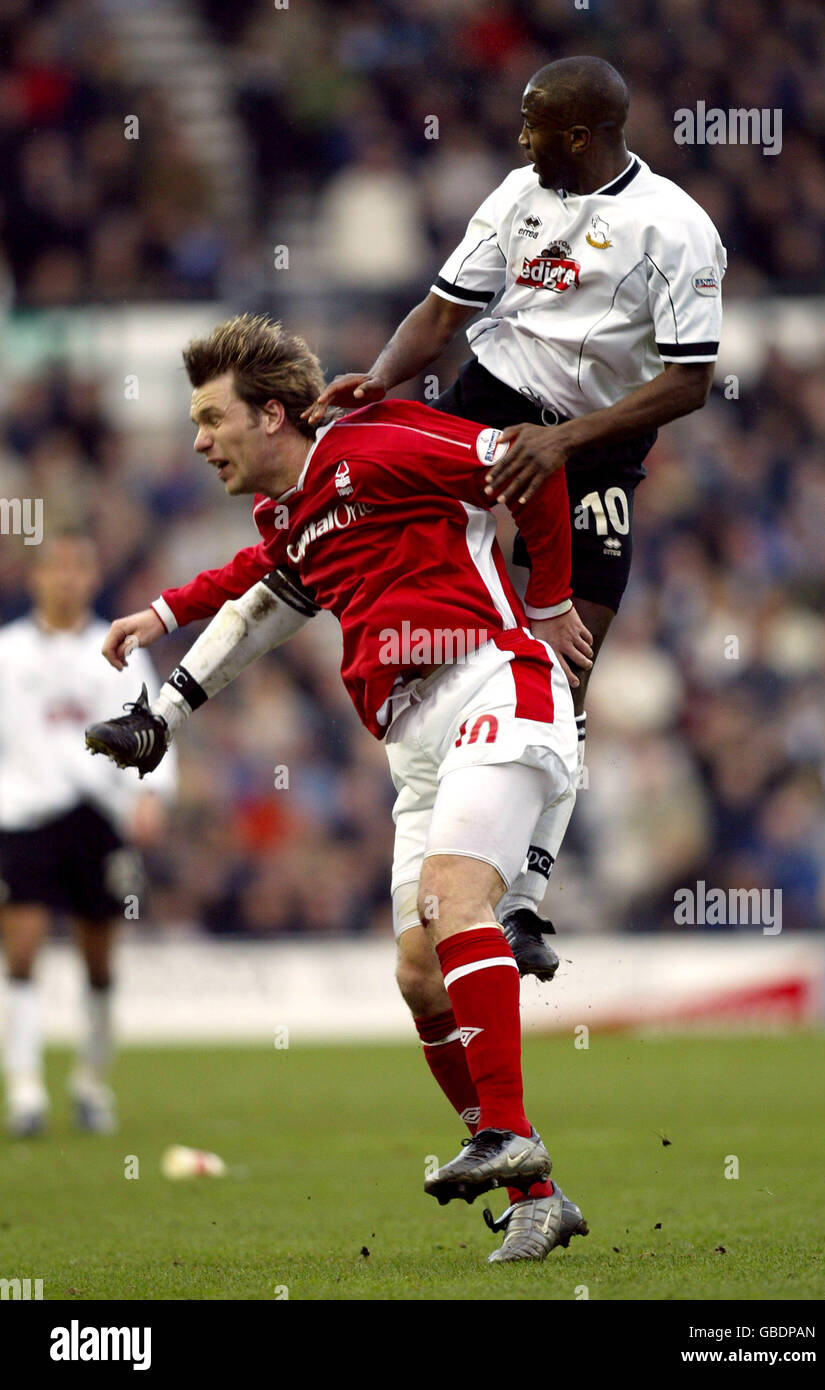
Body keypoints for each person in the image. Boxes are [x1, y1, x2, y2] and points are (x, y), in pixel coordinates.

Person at [87, 313, 593, 1262]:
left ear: (272, 415)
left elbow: (529, 459)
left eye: (210, 419)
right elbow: (263, 586)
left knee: (454, 903)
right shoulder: (289, 515)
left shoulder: (374, 439)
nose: (198, 442)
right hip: (412, 739)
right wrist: (164, 633)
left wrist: (555, 598)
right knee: (416, 972)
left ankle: (505, 1127)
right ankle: (537, 1195)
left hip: (493, 676)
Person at [304, 54, 727, 975]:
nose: (521, 135)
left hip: (598, 450)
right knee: (379, 541)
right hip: (489, 402)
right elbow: (440, 311)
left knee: (568, 672)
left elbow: (690, 382)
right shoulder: (513, 196)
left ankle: (525, 900)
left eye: (534, 123)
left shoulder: (676, 228)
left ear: (580, 132)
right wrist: (378, 381)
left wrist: (571, 441)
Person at [0, 533, 176, 1137]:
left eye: (80, 567)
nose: (68, 579)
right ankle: (25, 1089)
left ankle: (90, 1083)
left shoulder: (117, 650)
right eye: (57, 567)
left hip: (99, 816)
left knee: (97, 960)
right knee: (20, 951)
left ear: (93, 576)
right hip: (23, 816)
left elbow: (154, 723)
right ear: (36, 577)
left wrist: (151, 793)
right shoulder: (8, 653)